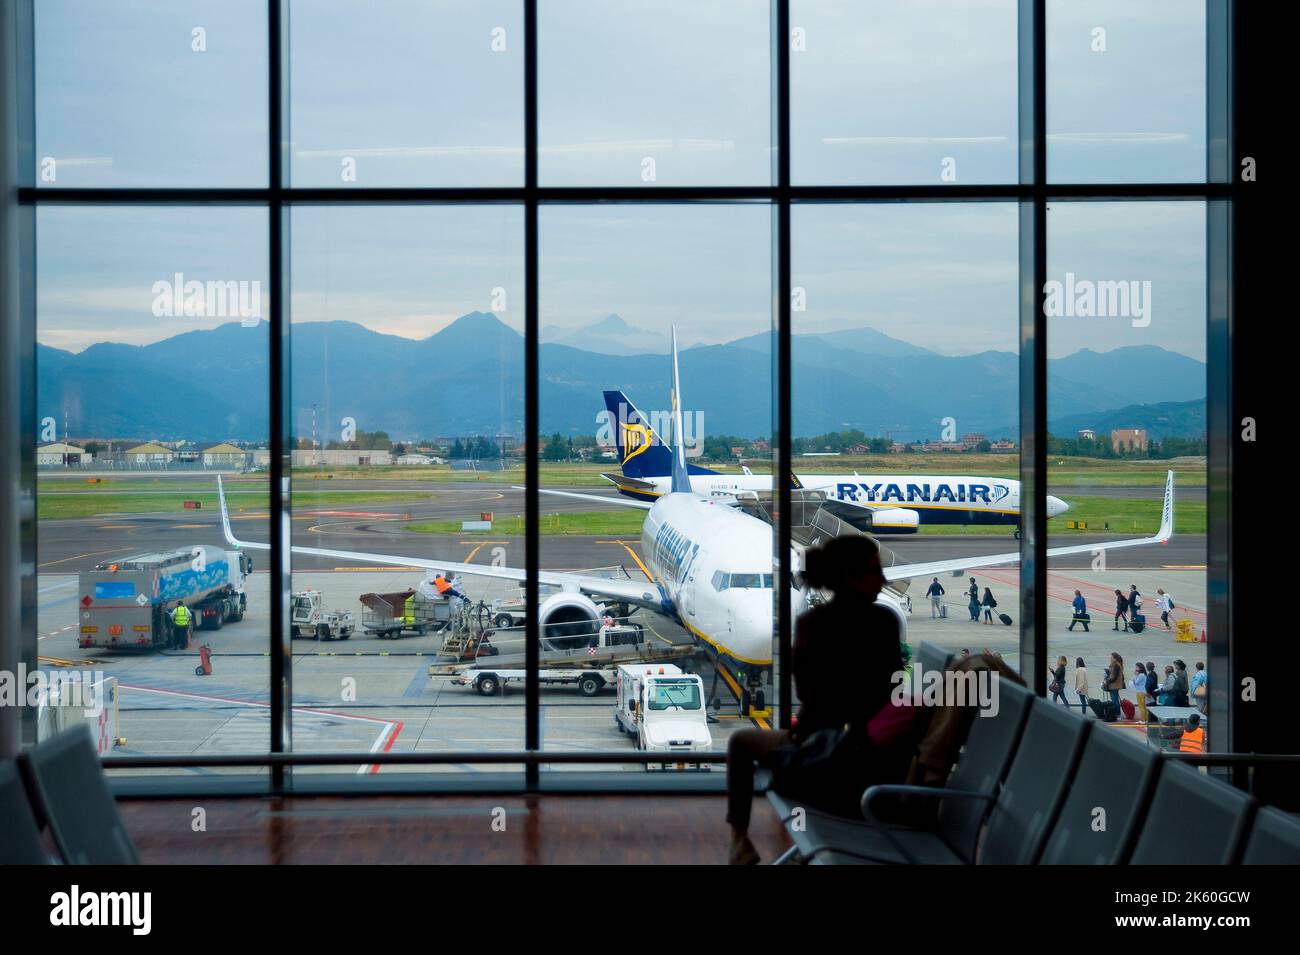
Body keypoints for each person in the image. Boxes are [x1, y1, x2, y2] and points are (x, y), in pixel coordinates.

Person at [726, 535, 906, 865]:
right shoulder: (884, 623)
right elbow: (889, 695)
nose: (883, 580)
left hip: (835, 755)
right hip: (872, 754)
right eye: (875, 571)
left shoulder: (812, 624)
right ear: (851, 576)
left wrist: (804, 730)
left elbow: (809, 696)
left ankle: (741, 841)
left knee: (741, 743)